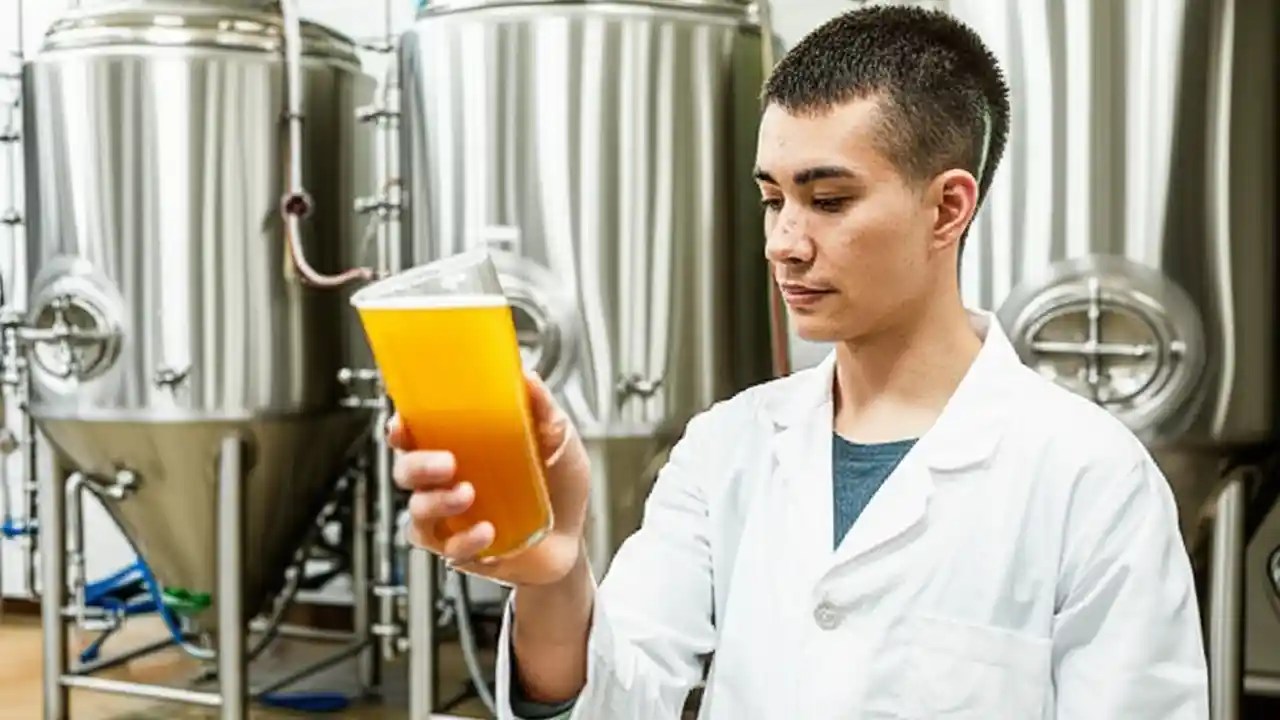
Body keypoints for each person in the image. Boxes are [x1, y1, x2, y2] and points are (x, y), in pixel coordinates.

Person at [390, 6, 1210, 719]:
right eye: (773, 198)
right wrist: (551, 571)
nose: (784, 242)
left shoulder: (1090, 479)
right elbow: (614, 699)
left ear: (947, 207)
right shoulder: (727, 449)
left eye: (828, 200)